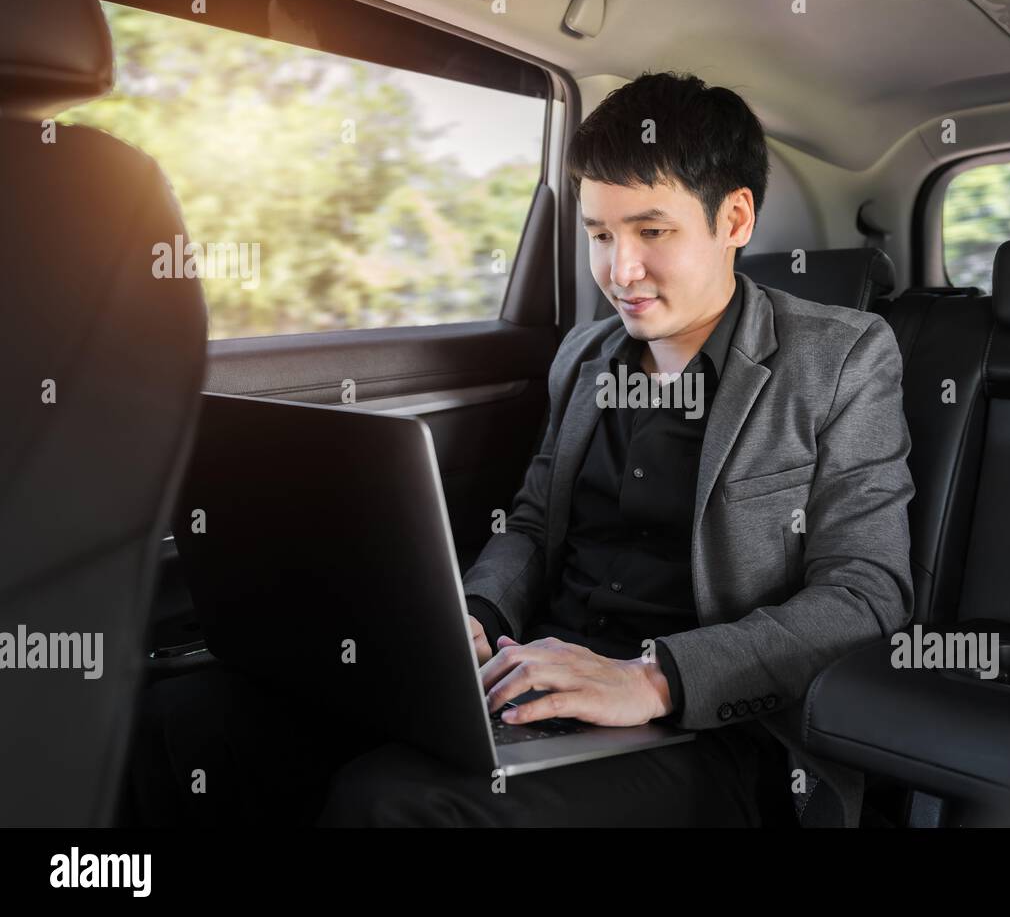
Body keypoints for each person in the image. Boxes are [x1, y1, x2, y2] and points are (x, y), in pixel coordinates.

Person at [130, 70, 914, 828]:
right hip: (539, 673)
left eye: (652, 231)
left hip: (721, 732)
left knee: (397, 802)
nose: (619, 271)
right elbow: (533, 524)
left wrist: (653, 678)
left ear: (735, 219)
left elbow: (865, 599)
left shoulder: (842, 357)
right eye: (600, 234)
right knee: (196, 717)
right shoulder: (583, 354)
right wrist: (470, 615)